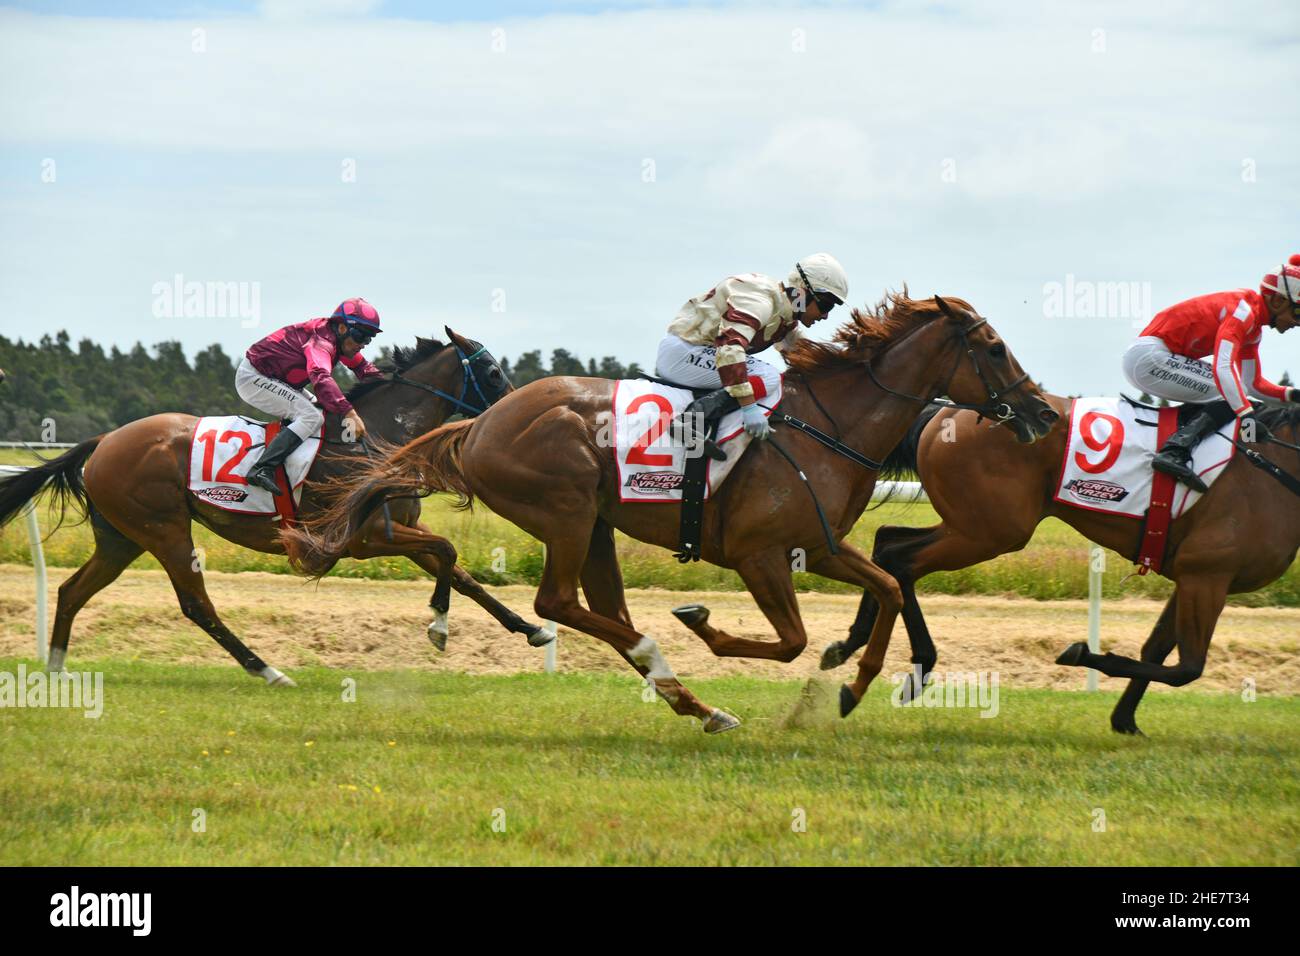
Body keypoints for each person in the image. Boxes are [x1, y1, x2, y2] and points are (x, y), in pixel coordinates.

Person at [1122, 255, 1300, 492]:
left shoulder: (1254, 328)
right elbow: (1223, 367)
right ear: (1277, 301)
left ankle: (1220, 451)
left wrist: (1294, 396)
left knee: (1237, 394)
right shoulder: (1243, 311)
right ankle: (1174, 451)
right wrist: (1247, 417)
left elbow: (1254, 385)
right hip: (1148, 357)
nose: (1297, 323)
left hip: (1157, 357)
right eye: (1297, 313)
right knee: (1230, 394)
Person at [656, 253, 849, 444]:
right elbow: (729, 347)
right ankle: (691, 419)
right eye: (825, 305)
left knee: (773, 380)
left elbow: (806, 355)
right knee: (769, 376)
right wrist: (748, 406)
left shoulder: (786, 315)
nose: (825, 316)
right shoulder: (761, 300)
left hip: (693, 354)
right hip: (683, 352)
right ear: (802, 291)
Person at [236, 297, 384, 494]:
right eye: (360, 336)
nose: (363, 344)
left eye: (369, 338)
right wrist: (350, 413)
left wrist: (394, 386)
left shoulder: (339, 341)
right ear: (341, 328)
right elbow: (321, 378)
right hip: (254, 377)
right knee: (311, 416)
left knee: (320, 412)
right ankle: (262, 468)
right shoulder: (321, 342)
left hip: (278, 381)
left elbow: (365, 370)